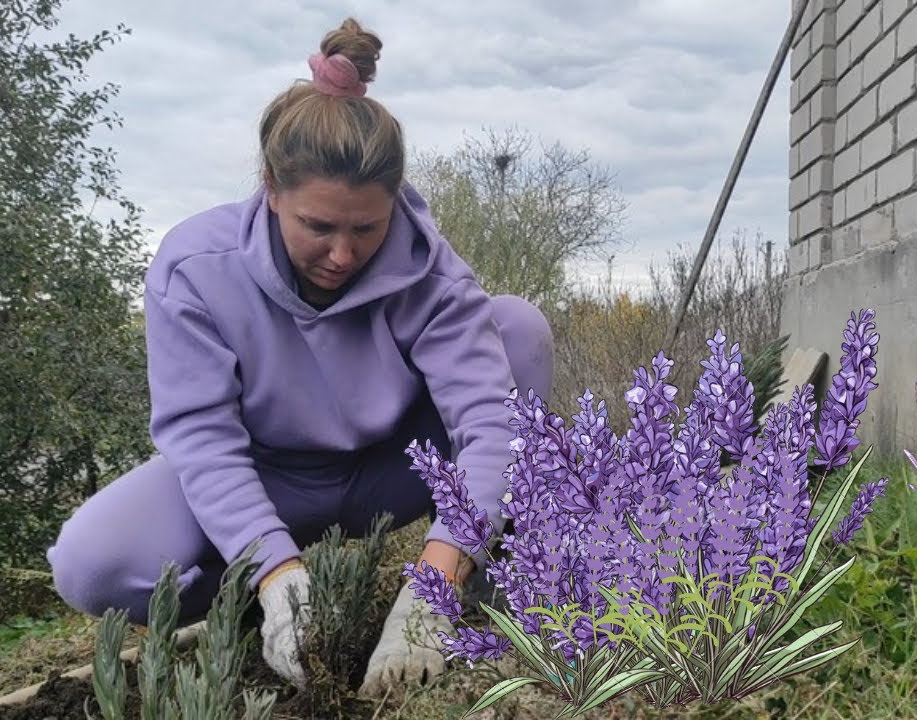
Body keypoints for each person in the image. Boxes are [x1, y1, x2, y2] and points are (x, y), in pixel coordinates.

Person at [45, 17, 553, 696]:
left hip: (392, 472)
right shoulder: (196, 269)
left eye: (366, 229)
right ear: (271, 189)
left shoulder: (431, 275)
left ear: (394, 206)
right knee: (94, 564)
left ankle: (474, 569)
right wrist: (273, 568)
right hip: (269, 477)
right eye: (318, 226)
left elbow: (491, 431)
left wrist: (433, 579)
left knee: (518, 328)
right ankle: (270, 608)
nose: (342, 255)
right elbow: (201, 439)